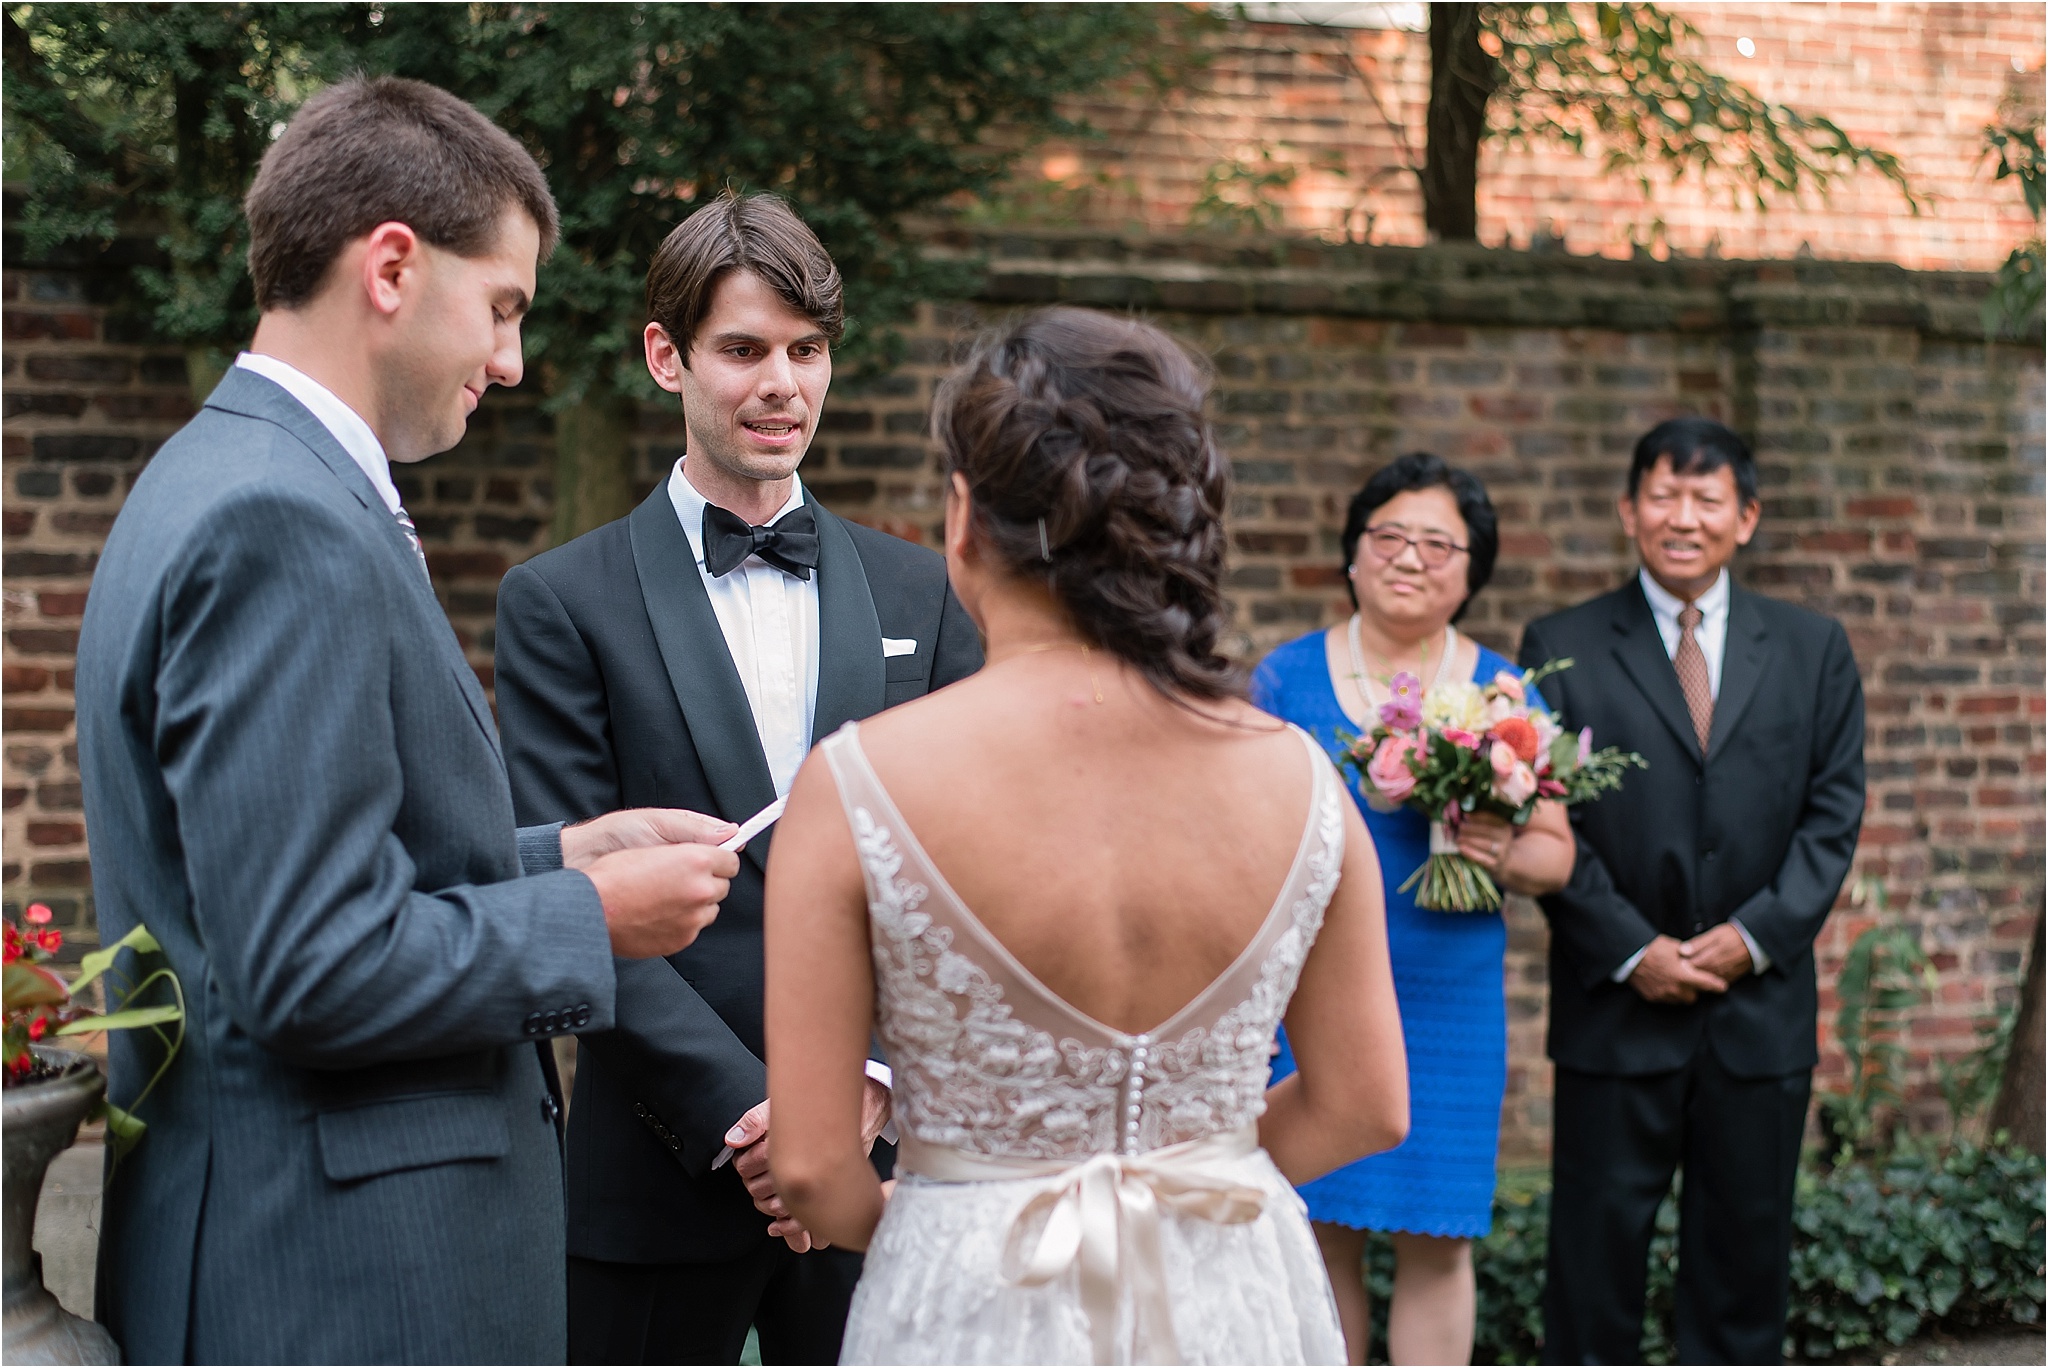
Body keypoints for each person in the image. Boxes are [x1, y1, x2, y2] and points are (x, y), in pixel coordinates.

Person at [73, 77, 742, 1365]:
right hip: (341, 1287)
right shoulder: (278, 521)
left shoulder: (231, 473)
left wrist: (555, 856)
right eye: (501, 307)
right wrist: (592, 923)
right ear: (391, 267)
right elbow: (307, 967)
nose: (512, 360)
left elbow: (283, 880)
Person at [761, 306, 1411, 1365]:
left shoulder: (857, 783)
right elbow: (1367, 1105)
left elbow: (812, 1167)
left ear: (965, 517)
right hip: (1230, 1298)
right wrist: (1192, 1193)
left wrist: (944, 1235)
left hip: (971, 1307)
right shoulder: (1303, 780)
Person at [492, 190, 983, 1365]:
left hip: (879, 1167)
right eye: (743, 351)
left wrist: (862, 1084)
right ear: (666, 355)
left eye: (806, 352)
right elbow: (567, 889)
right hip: (657, 1172)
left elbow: (961, 870)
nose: (782, 385)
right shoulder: (561, 602)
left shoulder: (923, 593)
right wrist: (750, 1119)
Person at [1518, 417, 1865, 1364]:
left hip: (1758, 1014)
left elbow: (1831, 818)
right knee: (1592, 1268)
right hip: (1613, 1009)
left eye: (1706, 499)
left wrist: (1753, 936)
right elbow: (1548, 826)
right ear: (1630, 510)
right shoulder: (1561, 647)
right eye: (1663, 496)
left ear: (1744, 518)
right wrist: (1634, 949)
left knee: (1743, 1269)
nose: (1683, 517)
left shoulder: (1812, 649)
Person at [1252, 454, 1576, 1365]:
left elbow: (1558, 854)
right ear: (1353, 553)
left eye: (1440, 543)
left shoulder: (1507, 693)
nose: (1411, 557)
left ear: (1471, 570)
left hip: (1449, 989)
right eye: (1389, 535)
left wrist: (1503, 851)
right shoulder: (1285, 678)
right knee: (1320, 1223)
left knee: (1439, 1237)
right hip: (1313, 989)